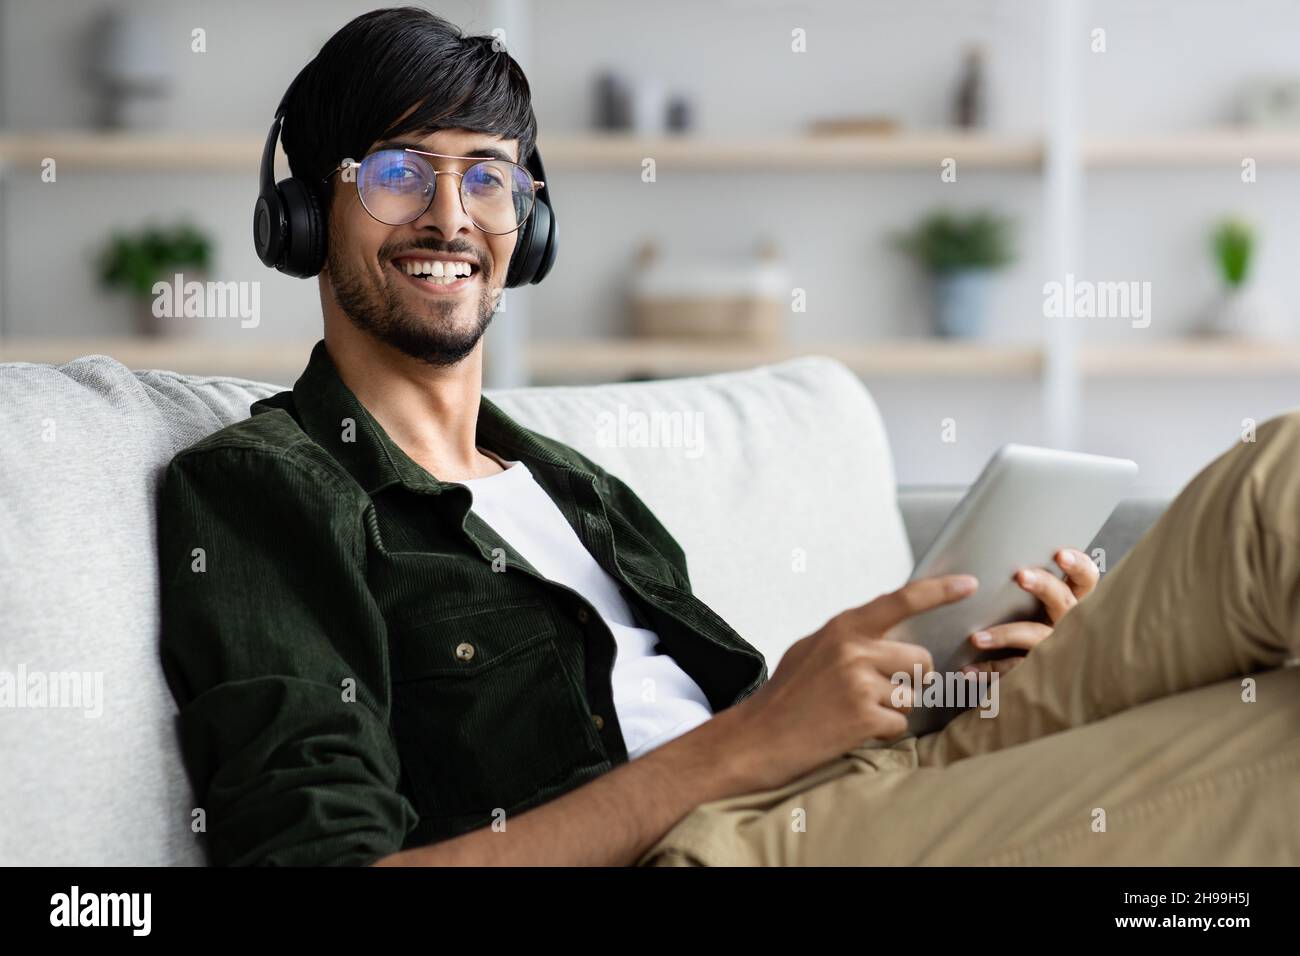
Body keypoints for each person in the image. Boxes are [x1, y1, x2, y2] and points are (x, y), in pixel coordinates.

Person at [157, 7, 1300, 867]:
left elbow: (747, 720)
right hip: (717, 848)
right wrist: (751, 743)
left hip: (855, 781)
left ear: (530, 222)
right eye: (400, 173)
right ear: (304, 212)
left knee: (1274, 484)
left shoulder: (571, 486)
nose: (452, 217)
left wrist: (958, 684)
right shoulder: (265, 489)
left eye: (488, 176)